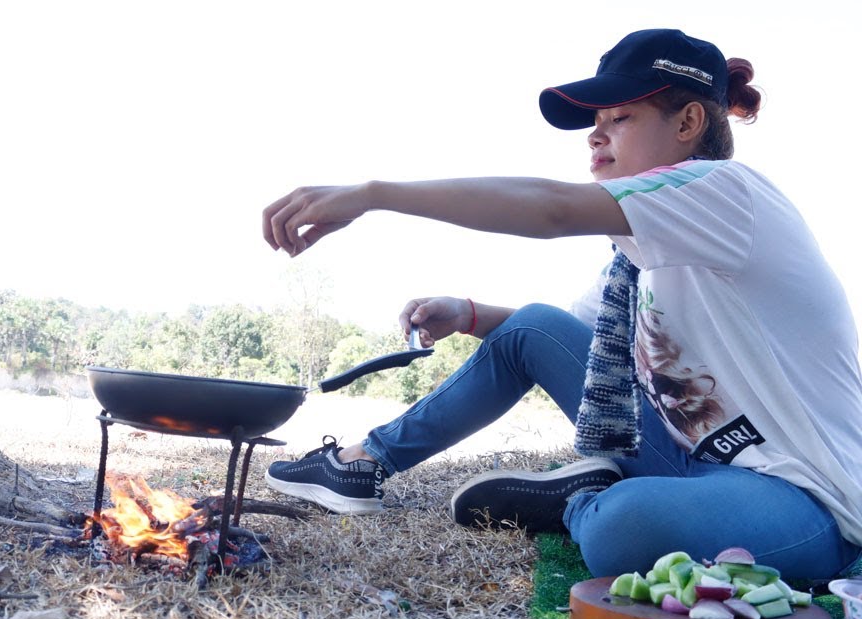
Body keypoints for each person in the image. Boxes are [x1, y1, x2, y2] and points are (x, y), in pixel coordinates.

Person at [259, 29, 862, 582]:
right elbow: (559, 335)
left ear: (689, 123)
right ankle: (365, 461)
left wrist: (373, 195)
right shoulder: (634, 260)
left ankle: (584, 499)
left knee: (618, 528)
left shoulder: (729, 194)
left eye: (619, 117)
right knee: (533, 325)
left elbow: (550, 208)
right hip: (687, 465)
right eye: (593, 121)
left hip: (801, 501)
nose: (596, 134)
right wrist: (469, 313)